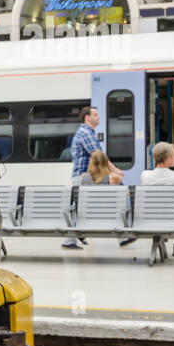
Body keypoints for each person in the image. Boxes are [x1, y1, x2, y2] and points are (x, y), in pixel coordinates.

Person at [63, 106, 123, 249]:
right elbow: (97, 155)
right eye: (95, 114)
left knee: (79, 208)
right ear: (87, 118)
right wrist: (115, 170)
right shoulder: (85, 133)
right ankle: (123, 236)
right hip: (85, 177)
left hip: (87, 177)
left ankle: (71, 239)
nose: (99, 117)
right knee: (115, 197)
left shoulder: (87, 132)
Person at [140, 141, 174, 257]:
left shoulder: (145, 175)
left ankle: (163, 235)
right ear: (168, 158)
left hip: (150, 218)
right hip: (173, 218)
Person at [80, 150, 137, 247]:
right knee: (120, 209)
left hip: (89, 216)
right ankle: (122, 239)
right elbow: (126, 193)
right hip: (110, 216)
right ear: (106, 162)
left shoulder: (83, 177)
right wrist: (111, 167)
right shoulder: (113, 178)